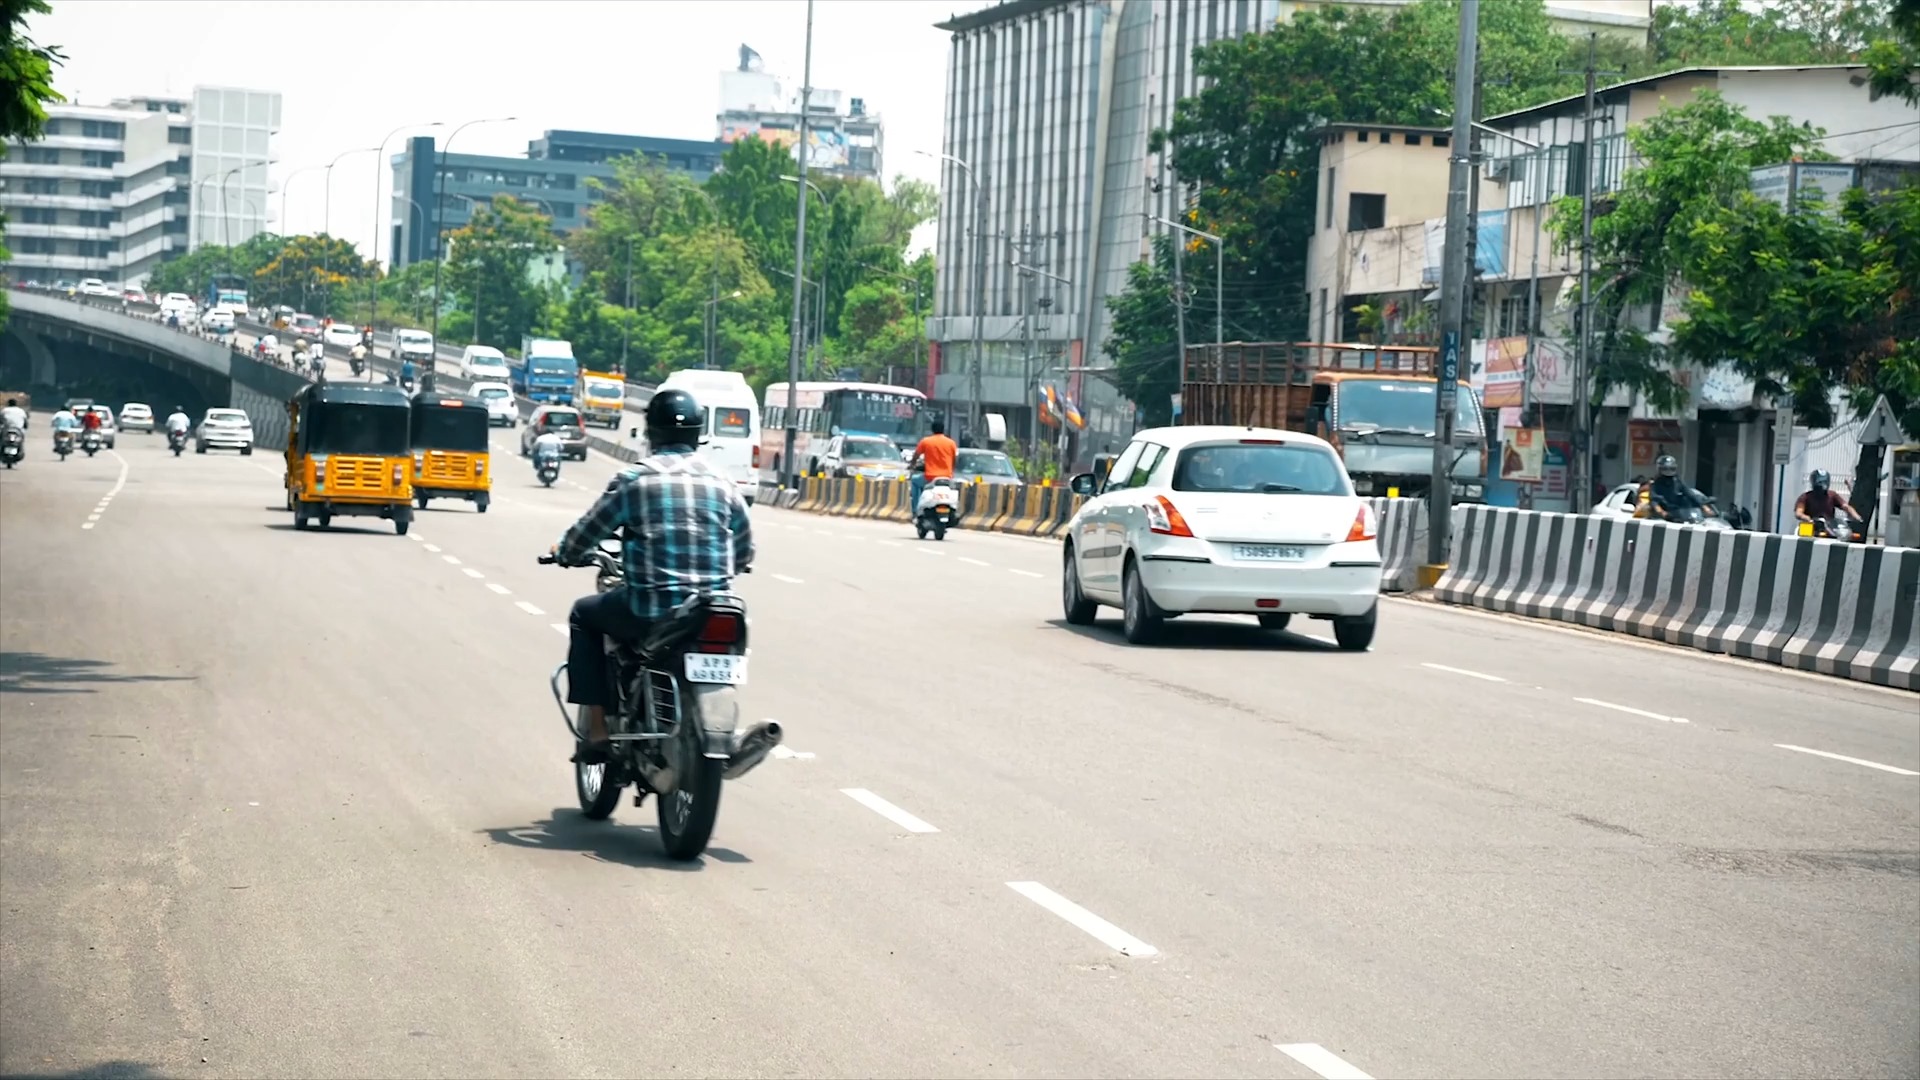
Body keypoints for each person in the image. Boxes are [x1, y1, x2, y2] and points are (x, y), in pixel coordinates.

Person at [550, 389, 754, 765]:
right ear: (698, 435)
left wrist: (565, 553)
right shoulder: (725, 483)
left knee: (584, 614)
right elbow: (744, 550)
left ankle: (597, 730)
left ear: (651, 433)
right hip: (714, 608)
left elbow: (586, 534)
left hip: (650, 610)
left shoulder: (635, 481)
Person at [908, 416, 958, 515]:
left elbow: (916, 456)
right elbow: (954, 460)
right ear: (944, 430)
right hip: (947, 477)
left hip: (930, 477)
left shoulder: (926, 441)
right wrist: (951, 471)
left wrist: (912, 465)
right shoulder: (951, 443)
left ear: (932, 429)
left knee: (914, 481)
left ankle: (916, 510)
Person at [1642, 454, 1712, 521]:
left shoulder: (1678, 482)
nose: (1668, 472)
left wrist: (1705, 508)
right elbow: (1654, 502)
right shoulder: (1655, 485)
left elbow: (1690, 495)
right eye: (1665, 469)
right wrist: (1663, 513)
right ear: (1659, 469)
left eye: (1671, 468)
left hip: (1682, 515)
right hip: (1664, 517)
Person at [1794, 469, 1859, 529]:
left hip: (1829, 528)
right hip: (1809, 526)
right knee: (1803, 532)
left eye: (1824, 482)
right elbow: (1799, 512)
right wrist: (1806, 518)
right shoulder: (1805, 497)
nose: (1822, 485)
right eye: (1820, 482)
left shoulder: (1832, 495)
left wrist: (1856, 516)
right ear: (1813, 482)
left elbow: (1846, 506)